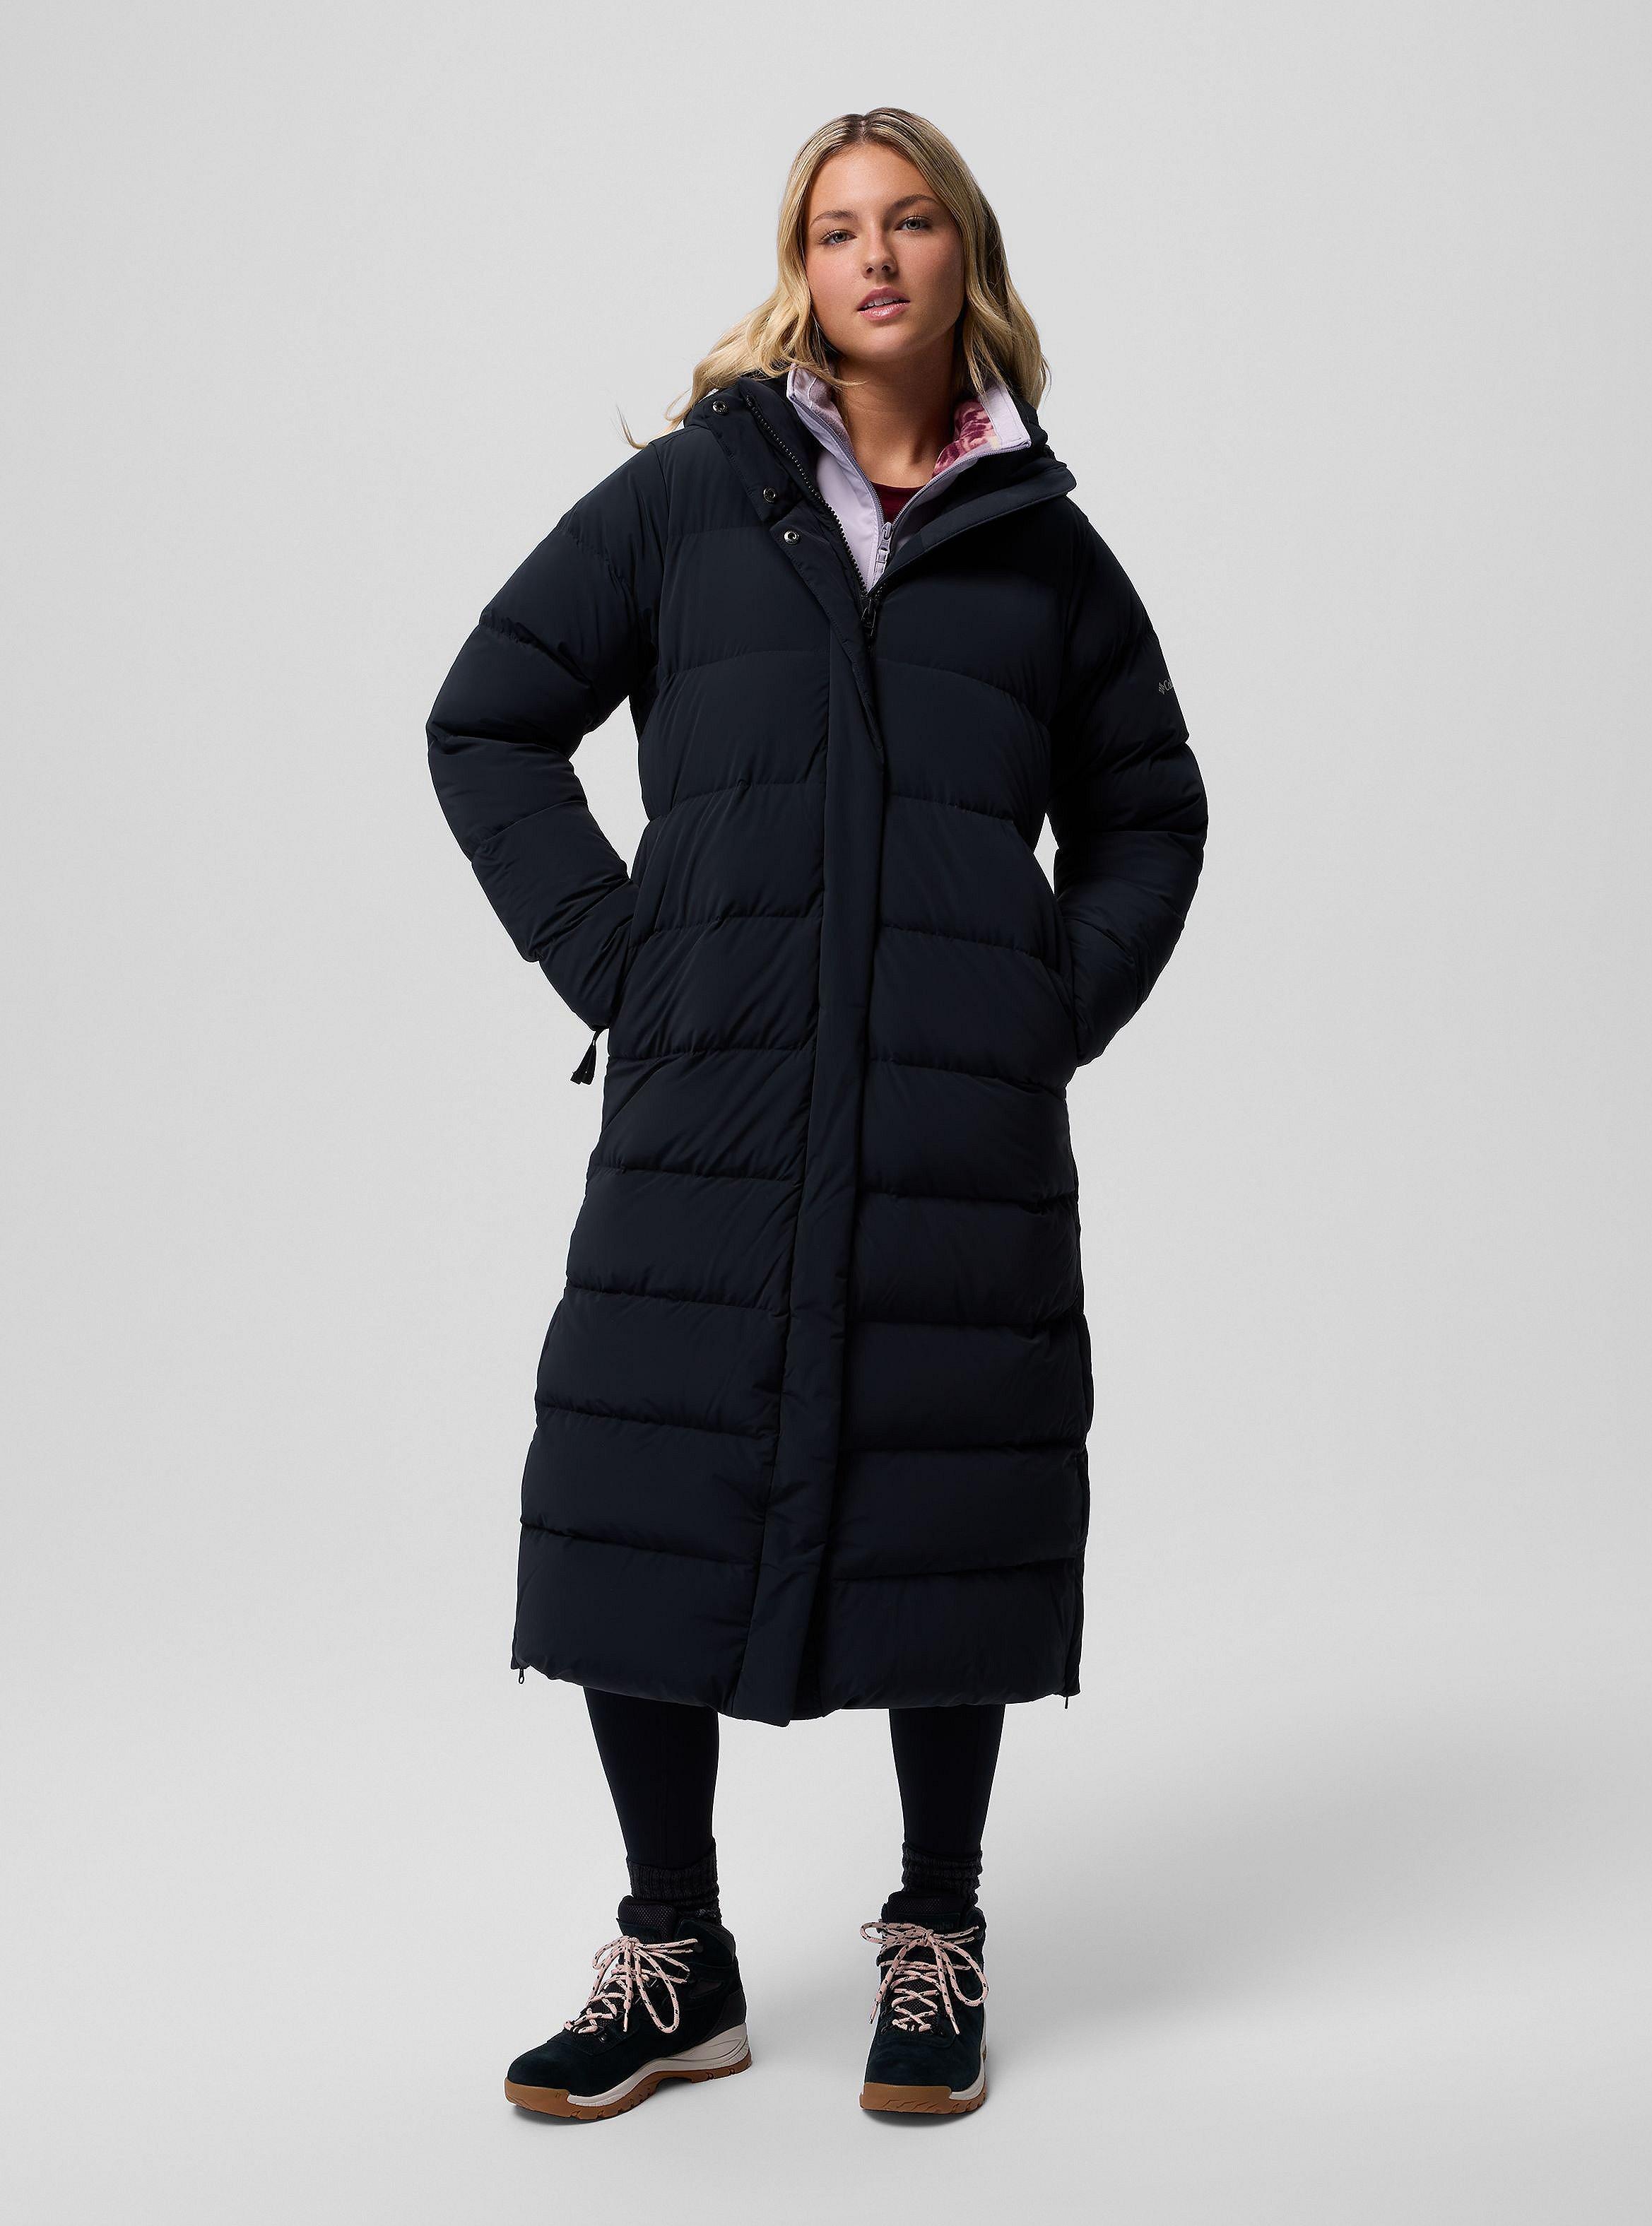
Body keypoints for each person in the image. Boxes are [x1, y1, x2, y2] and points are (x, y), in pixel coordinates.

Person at [425, 107, 1207, 2121]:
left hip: (955, 1118)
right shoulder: (692, 498)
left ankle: (936, 1928)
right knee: (644, 1475)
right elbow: (488, 718)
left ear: (965, 258)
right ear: (801, 263)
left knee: (956, 1484)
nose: (875, 254)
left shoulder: (1041, 545)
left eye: (911, 220)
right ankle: (672, 1953)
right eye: (838, 225)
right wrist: (625, 960)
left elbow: (1152, 805)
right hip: (715, 1097)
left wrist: (1043, 1005)